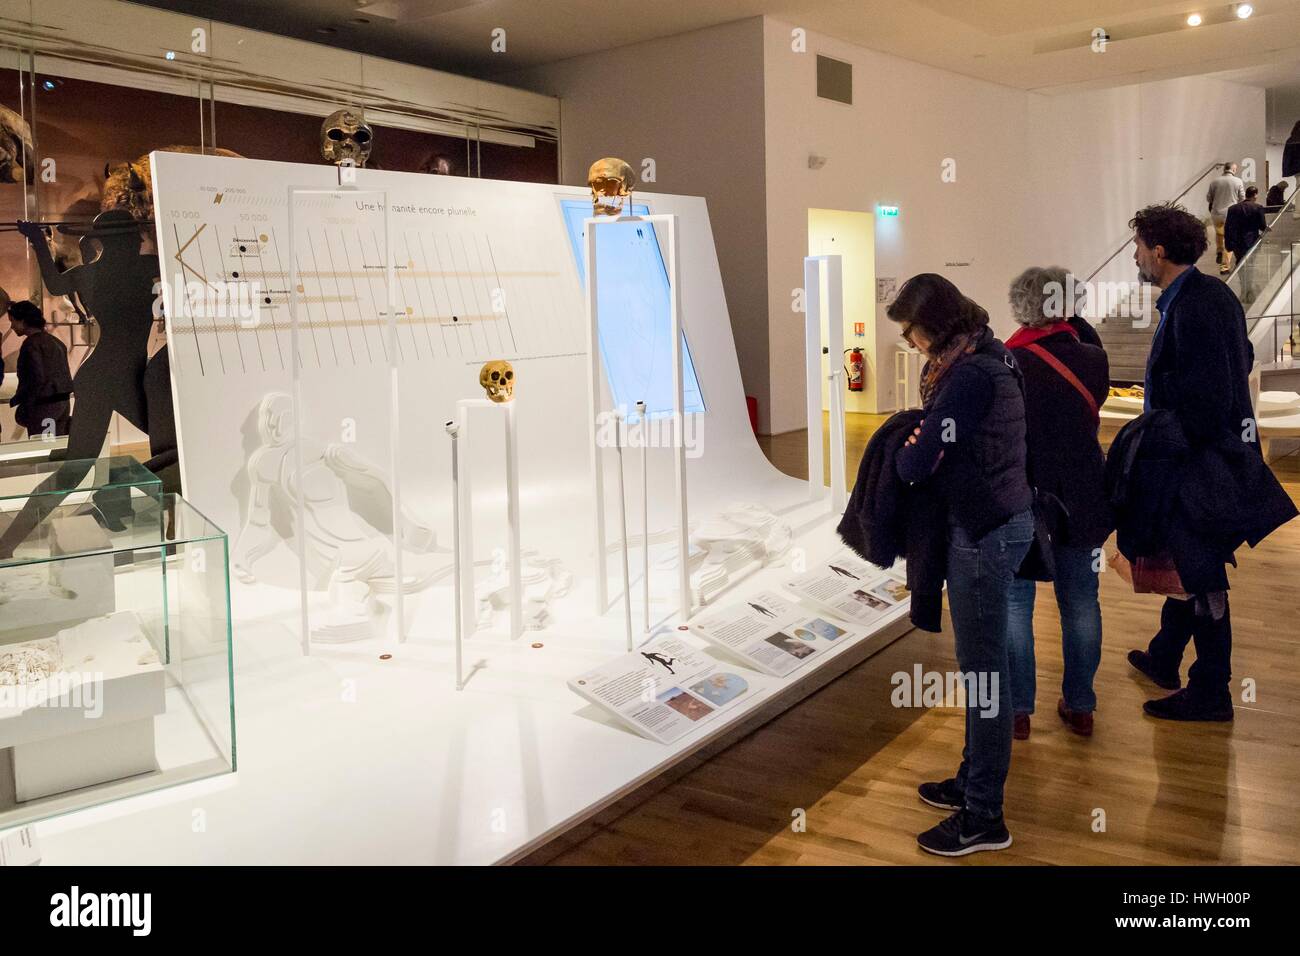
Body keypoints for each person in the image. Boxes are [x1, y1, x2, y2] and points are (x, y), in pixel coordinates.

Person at [888, 273, 1034, 856]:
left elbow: (918, 462)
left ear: (936, 324)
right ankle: (972, 782)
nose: (910, 343)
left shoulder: (968, 377)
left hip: (984, 533)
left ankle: (984, 816)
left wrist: (904, 450)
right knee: (982, 670)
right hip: (998, 523)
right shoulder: (987, 354)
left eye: (912, 331)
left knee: (984, 677)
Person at [1124, 203, 1261, 721]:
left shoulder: (1195, 306)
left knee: (1202, 574)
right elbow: (1241, 359)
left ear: (1158, 252)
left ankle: (1211, 689)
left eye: (1139, 248)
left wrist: (1161, 441)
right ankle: (1164, 656)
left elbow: (1207, 399)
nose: (1136, 257)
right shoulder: (1206, 296)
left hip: (1199, 464)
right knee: (1190, 564)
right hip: (1207, 458)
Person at [1004, 267, 1110, 740]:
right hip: (1084, 495)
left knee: (1014, 603)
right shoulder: (1092, 358)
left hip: (1024, 494)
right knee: (1082, 603)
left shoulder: (1008, 361)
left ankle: (1018, 710)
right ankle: (1081, 705)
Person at [6, 300, 72, 437]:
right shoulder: (56, 342)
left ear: (23, 320)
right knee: (57, 446)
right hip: (63, 403)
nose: (12, 326)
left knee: (44, 446)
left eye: (13, 321)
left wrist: (27, 404)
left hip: (44, 406)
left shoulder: (31, 344)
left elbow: (37, 378)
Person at [1206, 162, 1245, 274]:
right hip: (1230, 213)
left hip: (1216, 213)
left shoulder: (1214, 181)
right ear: (1233, 169)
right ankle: (1224, 267)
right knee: (1229, 239)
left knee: (1219, 234)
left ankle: (1219, 250)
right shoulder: (1238, 181)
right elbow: (1242, 198)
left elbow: (1209, 198)